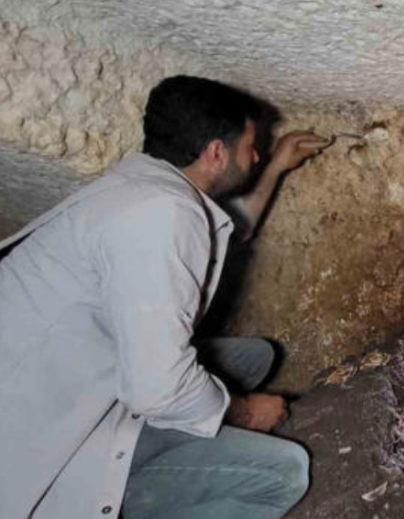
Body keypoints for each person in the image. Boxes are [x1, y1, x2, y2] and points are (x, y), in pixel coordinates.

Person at [0, 75, 328, 519]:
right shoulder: (164, 214)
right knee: (284, 472)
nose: (256, 155)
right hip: (47, 447)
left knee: (253, 358)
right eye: (252, 147)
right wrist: (247, 412)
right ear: (216, 152)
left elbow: (216, 240)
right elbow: (157, 388)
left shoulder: (141, 186)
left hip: (85, 384)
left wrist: (273, 170)